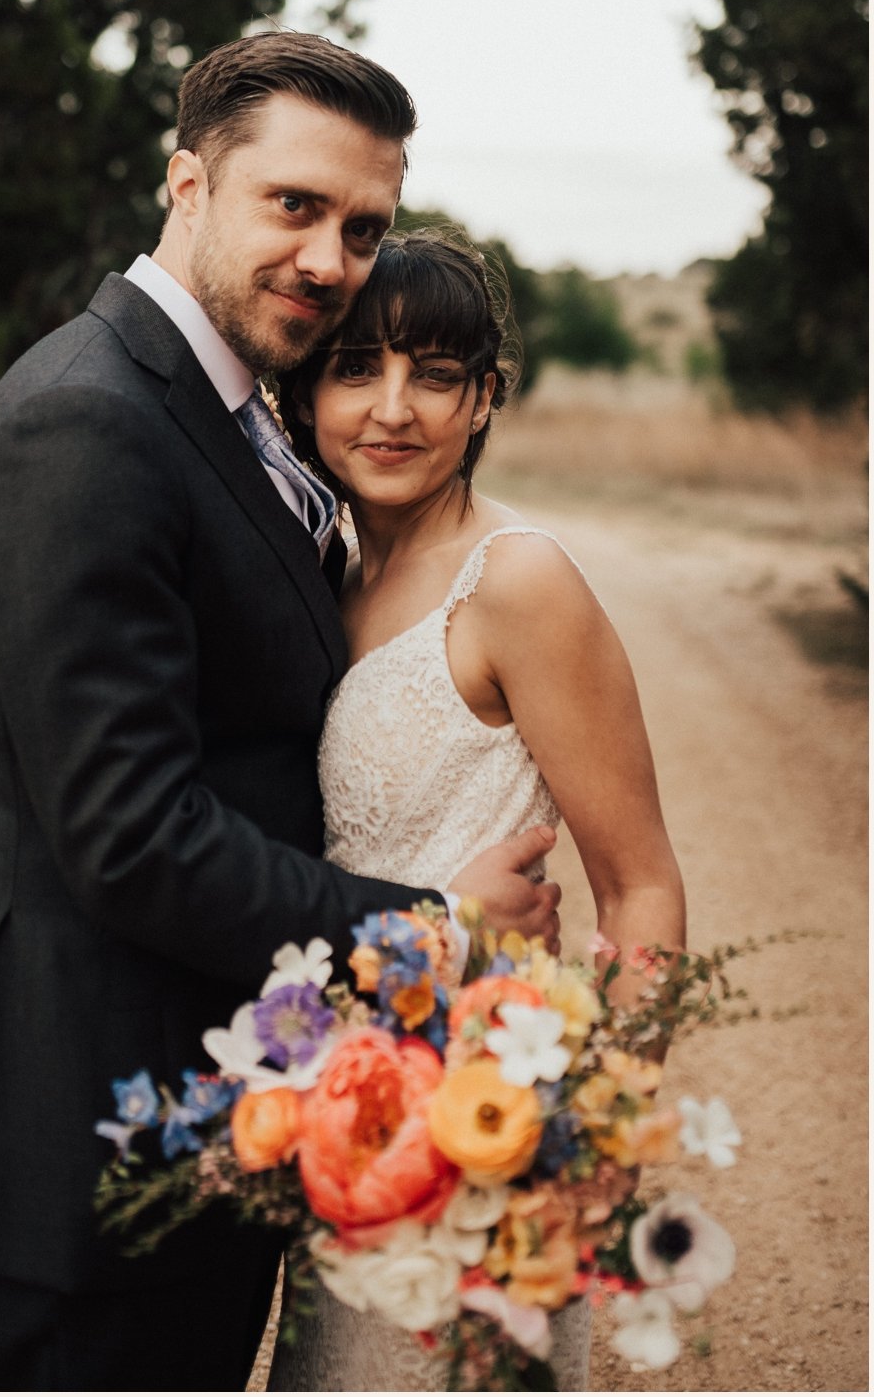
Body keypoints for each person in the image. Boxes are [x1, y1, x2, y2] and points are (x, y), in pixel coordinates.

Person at [0, 34, 562, 1393]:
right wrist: (438, 928)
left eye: (364, 223)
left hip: (218, 1129)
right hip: (97, 1142)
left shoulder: (225, 415)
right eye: (295, 205)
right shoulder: (86, 425)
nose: (332, 258)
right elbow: (132, 835)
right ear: (188, 181)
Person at [267, 229, 687, 1393]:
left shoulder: (517, 580)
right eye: (355, 367)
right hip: (338, 1107)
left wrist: (606, 1134)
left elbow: (642, 879)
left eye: (435, 373)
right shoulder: (317, 566)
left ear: (484, 394)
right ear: (306, 389)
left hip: (489, 1110)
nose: (391, 408)